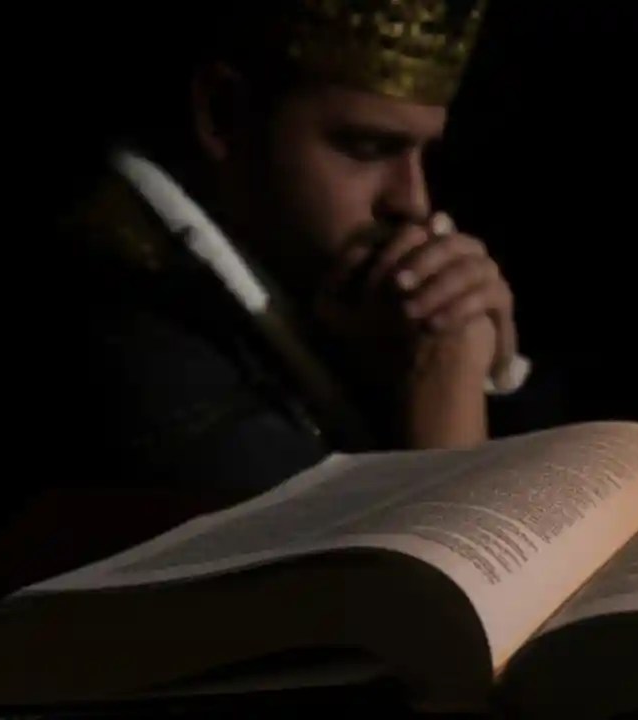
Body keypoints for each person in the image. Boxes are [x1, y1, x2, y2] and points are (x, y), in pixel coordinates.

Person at [45, 0, 561, 495]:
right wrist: (444, 385)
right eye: (366, 147)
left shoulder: (310, 288)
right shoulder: (125, 335)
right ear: (225, 115)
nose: (414, 202)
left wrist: (489, 373)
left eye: (421, 153)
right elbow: (407, 587)